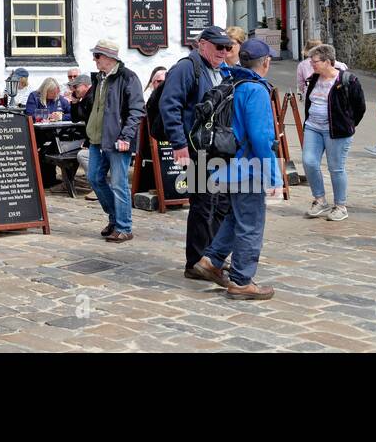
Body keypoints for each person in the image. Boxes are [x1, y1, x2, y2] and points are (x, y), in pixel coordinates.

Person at [191, 38, 282, 300]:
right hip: (248, 168)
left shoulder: (230, 82)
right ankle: (242, 281)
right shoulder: (256, 89)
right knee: (251, 224)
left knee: (234, 217)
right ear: (265, 62)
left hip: (225, 165)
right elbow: (261, 137)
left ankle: (212, 260)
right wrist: (274, 174)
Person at [161, 25, 234, 277]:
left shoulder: (222, 70)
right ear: (201, 44)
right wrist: (178, 144)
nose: (224, 52)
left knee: (221, 203)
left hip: (219, 148)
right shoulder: (186, 68)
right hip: (195, 148)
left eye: (227, 47)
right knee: (202, 204)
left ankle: (211, 258)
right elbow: (169, 106)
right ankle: (195, 262)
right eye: (218, 46)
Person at [70, 39, 144, 243]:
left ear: (109, 58)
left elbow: (137, 110)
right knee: (94, 178)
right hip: (96, 139)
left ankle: (124, 227)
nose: (94, 60)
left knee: (119, 183)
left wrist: (126, 136)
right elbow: (93, 109)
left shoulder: (128, 77)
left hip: (117, 140)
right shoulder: (99, 79)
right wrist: (77, 102)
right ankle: (115, 217)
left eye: (97, 56)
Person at [301, 43, 366, 222]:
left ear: (328, 61)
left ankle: (340, 206)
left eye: (315, 62)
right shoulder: (314, 78)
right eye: (311, 61)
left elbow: (359, 106)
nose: (312, 65)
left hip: (336, 130)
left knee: (336, 168)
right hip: (313, 127)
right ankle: (320, 200)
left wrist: (348, 125)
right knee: (309, 162)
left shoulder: (347, 80)